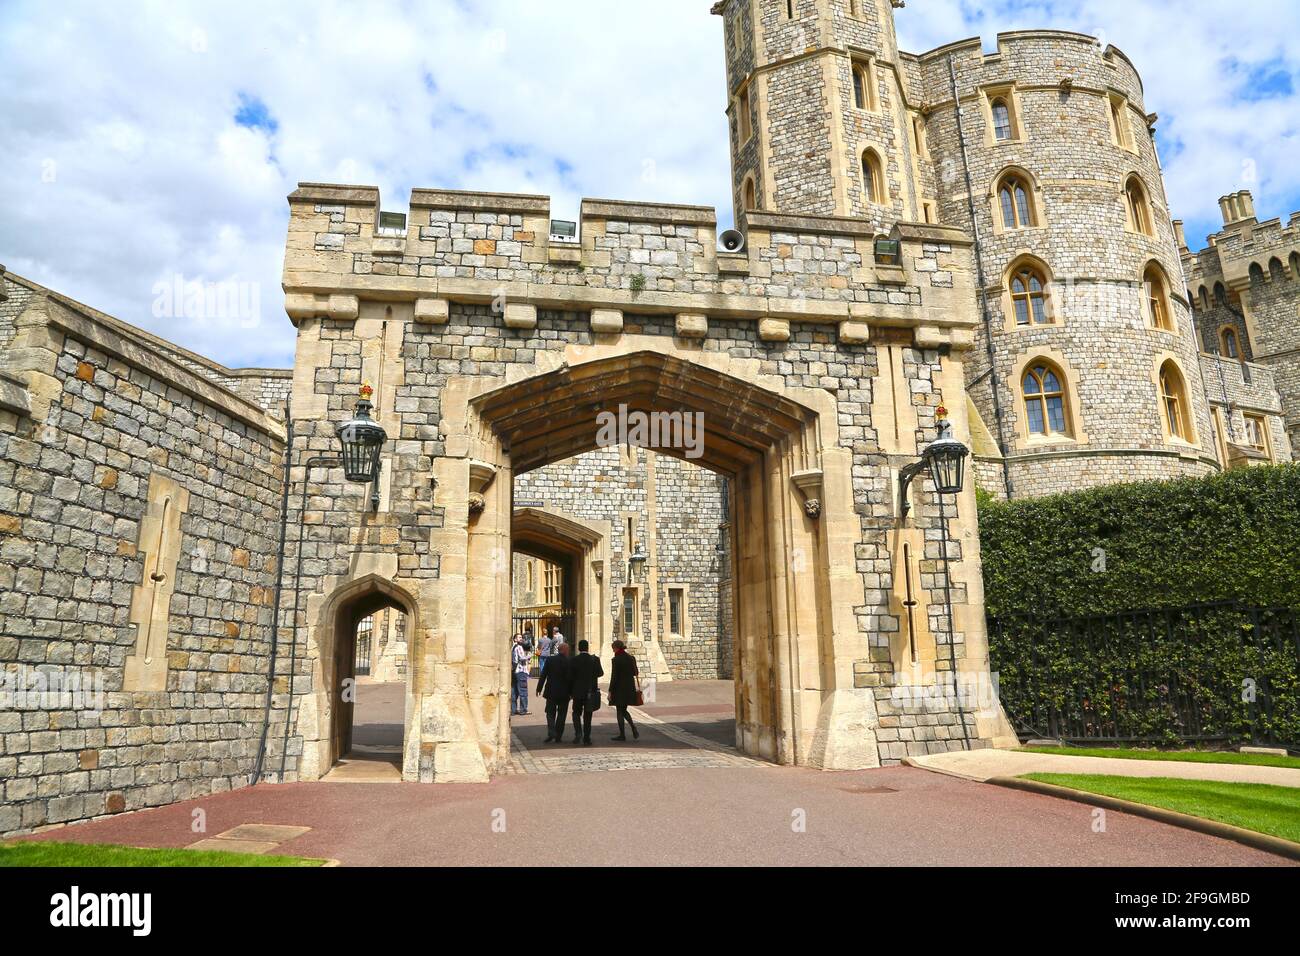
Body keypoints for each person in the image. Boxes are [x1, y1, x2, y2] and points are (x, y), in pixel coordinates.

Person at [568, 639, 604, 746]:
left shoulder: (574, 660)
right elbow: (600, 673)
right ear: (587, 648)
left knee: (576, 713)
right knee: (588, 715)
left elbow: (570, 677)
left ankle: (578, 733)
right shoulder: (594, 659)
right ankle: (587, 738)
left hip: (577, 691)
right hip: (590, 691)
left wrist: (570, 691)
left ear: (579, 648)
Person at [535, 641, 573, 743]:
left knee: (550, 713)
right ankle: (558, 736)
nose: (569, 651)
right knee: (562, 714)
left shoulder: (550, 660)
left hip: (551, 691)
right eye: (568, 650)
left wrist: (539, 688)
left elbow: (543, 675)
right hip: (565, 692)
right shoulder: (569, 661)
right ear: (565, 650)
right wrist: (572, 692)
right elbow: (571, 678)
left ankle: (551, 732)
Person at [607, 639, 640, 741]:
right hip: (629, 688)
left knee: (619, 711)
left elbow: (614, 677)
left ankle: (622, 734)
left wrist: (610, 690)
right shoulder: (631, 658)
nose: (613, 651)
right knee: (624, 710)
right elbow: (636, 673)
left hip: (619, 689)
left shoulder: (616, 660)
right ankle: (633, 727)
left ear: (616, 648)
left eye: (613, 649)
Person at [510, 634, 530, 716]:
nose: (521, 639)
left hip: (515, 671)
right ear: (515, 639)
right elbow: (522, 658)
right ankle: (523, 710)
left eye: (521, 637)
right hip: (521, 671)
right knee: (523, 691)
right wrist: (529, 655)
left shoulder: (512, 647)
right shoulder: (519, 647)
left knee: (514, 691)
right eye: (519, 637)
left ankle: (513, 709)